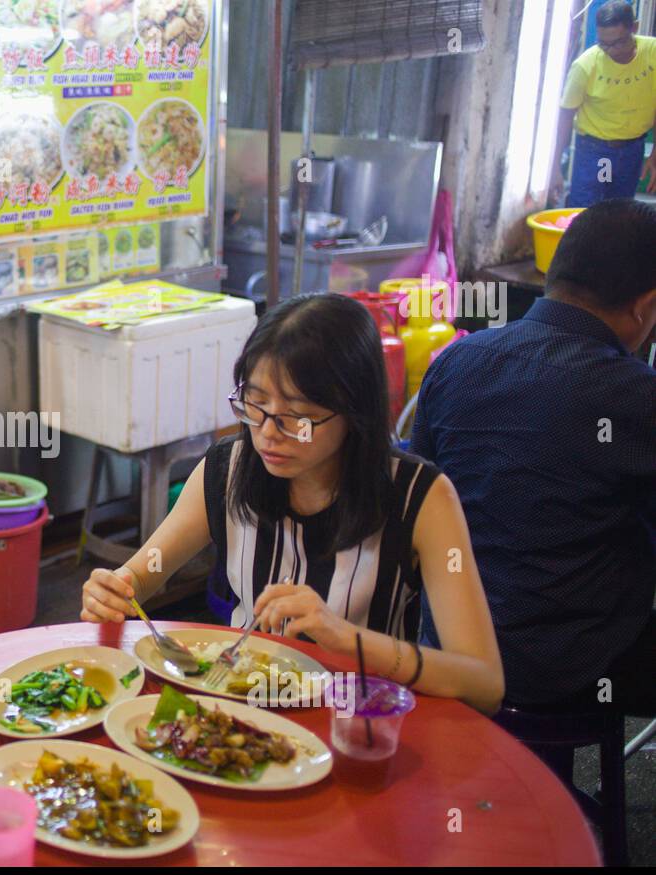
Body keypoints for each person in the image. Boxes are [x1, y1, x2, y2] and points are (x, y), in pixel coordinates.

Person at [80, 294, 505, 715]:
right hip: (236, 708)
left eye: (297, 416)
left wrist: (345, 638)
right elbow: (150, 567)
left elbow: (484, 683)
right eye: (256, 403)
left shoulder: (422, 498)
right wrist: (119, 586)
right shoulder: (229, 468)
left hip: (357, 724)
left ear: (355, 413)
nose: (267, 433)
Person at [411, 199, 656, 716]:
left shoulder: (459, 360)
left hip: (450, 652)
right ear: (644, 306)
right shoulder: (636, 396)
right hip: (570, 670)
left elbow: (421, 492)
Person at [552, 0, 656, 206]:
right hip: (598, 152)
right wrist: (554, 167)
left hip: (632, 149)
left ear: (634, 28)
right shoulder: (586, 66)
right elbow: (565, 115)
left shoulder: (652, 53)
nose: (610, 50)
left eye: (617, 42)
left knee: (620, 211)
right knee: (589, 209)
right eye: (603, 44)